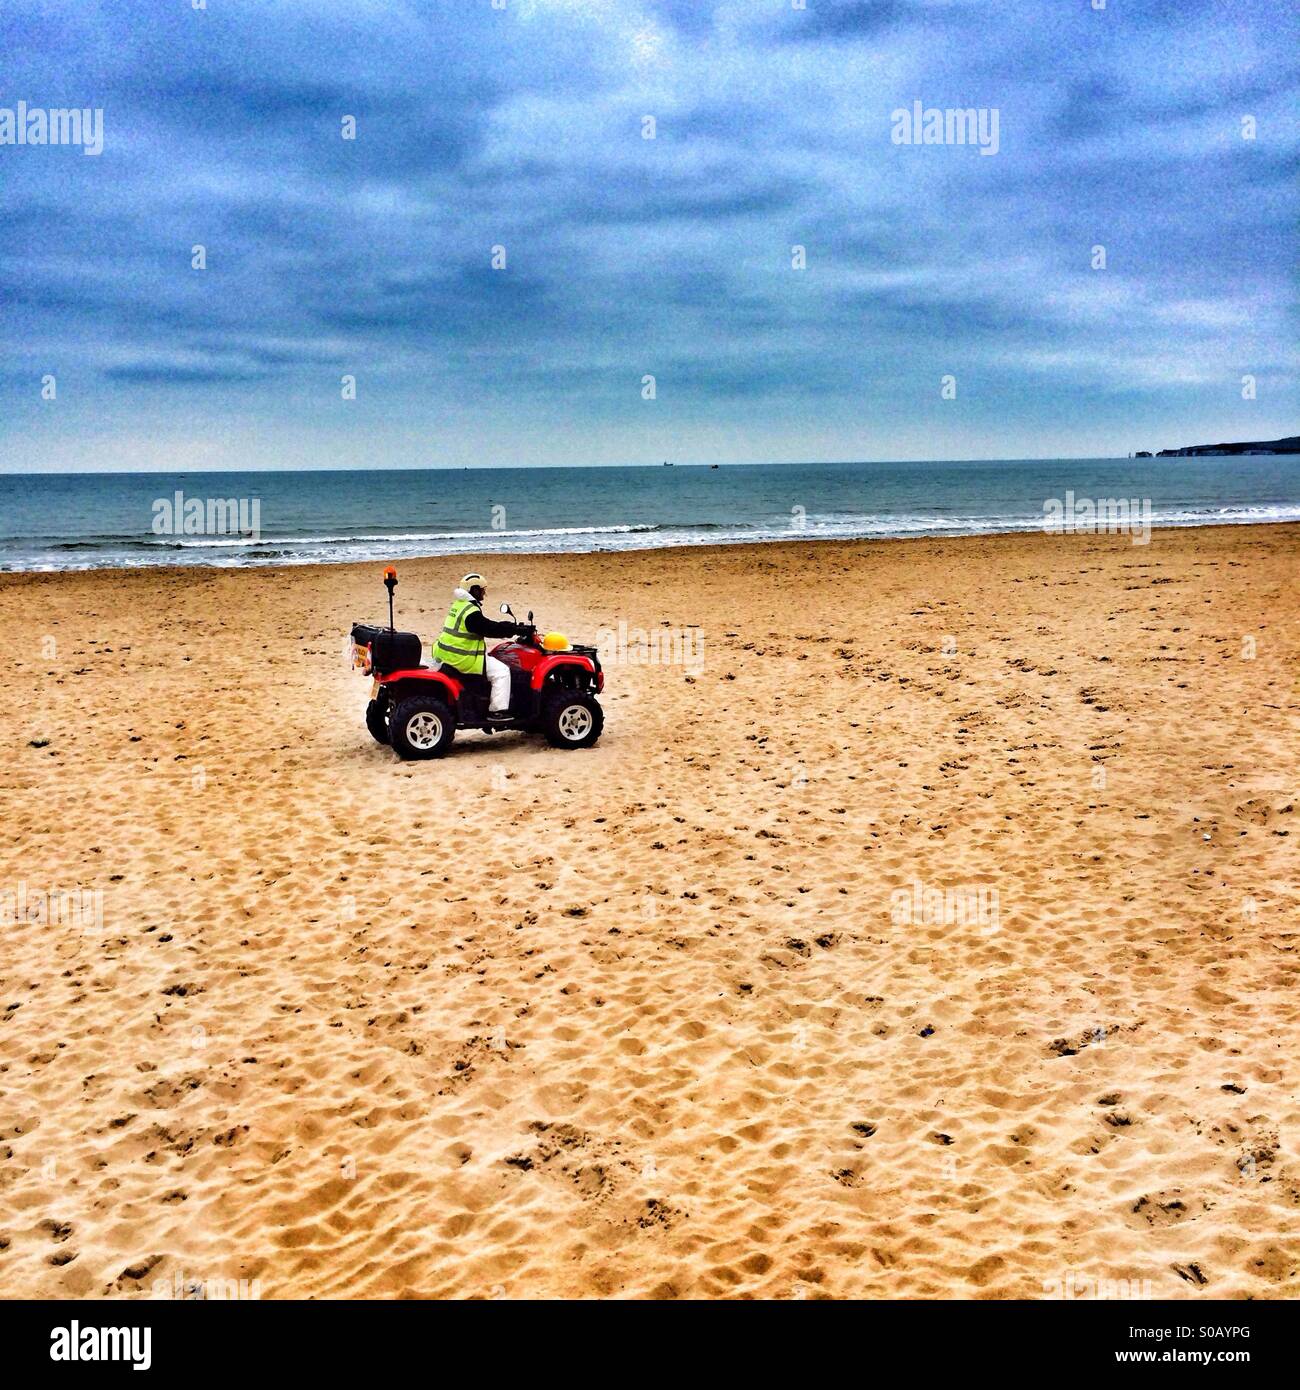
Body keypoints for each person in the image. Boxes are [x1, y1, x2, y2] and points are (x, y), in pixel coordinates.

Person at [432, 572, 531, 720]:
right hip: (462, 659)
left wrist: (510, 627)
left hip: (445, 655)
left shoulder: (459, 605)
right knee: (502, 672)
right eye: (482, 590)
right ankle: (497, 711)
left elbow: (484, 625)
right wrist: (513, 629)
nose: (484, 593)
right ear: (474, 590)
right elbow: (488, 628)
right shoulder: (471, 611)